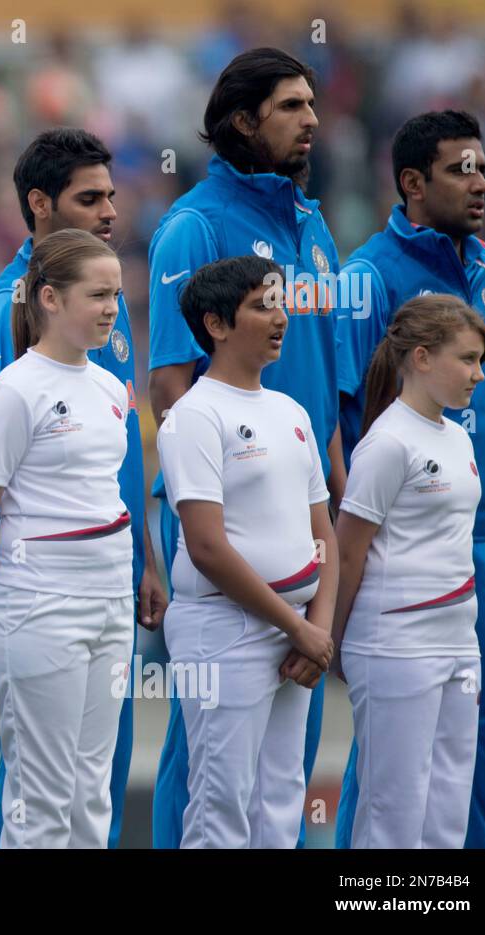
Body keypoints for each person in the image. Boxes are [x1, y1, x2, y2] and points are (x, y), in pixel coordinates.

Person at [147, 48, 343, 848]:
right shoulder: (192, 225)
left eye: (311, 104)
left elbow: (324, 363)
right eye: (292, 107)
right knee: (207, 761)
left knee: (282, 766)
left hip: (305, 512)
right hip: (228, 516)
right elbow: (169, 387)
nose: (312, 121)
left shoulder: (313, 221)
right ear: (242, 120)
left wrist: (328, 485)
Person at [0, 128, 166, 848]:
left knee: (93, 785)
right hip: (42, 591)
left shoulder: (101, 309)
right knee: (34, 787)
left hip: (107, 577)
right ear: (40, 204)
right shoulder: (10, 309)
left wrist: (145, 556)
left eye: (112, 194)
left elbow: (111, 461)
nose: (111, 209)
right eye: (91, 198)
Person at [333, 110, 485, 849]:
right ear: (412, 183)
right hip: (402, 547)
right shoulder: (366, 278)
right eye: (459, 170)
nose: (480, 182)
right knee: (391, 767)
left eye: (481, 166)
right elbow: (342, 420)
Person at [0, 229, 134, 848]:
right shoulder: (15, 390)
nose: (112, 308)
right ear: (50, 299)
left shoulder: (113, 390)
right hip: (37, 605)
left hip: (109, 603)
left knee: (93, 794)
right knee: (40, 799)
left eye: (116, 294)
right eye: (98, 295)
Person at [156, 256, 337, 848]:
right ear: (216, 323)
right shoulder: (193, 416)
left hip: (297, 631)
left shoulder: (291, 412)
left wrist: (319, 627)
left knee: (281, 805)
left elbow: (324, 533)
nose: (281, 317)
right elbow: (206, 546)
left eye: (280, 303)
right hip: (224, 628)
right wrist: (298, 626)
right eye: (263, 305)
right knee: (220, 809)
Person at [332, 295, 485, 848]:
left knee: (447, 808)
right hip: (395, 643)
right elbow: (348, 552)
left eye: (481, 360)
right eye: (467, 359)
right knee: (393, 809)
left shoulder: (458, 437)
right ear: (421, 358)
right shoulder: (387, 442)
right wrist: (333, 641)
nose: (479, 373)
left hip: (457, 640)